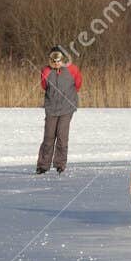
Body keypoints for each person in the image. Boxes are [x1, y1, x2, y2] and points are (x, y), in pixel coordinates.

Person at [37, 45, 81, 174]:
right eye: (53, 60)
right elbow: (44, 86)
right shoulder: (46, 71)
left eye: (59, 59)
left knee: (62, 136)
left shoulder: (72, 69)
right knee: (49, 137)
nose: (56, 63)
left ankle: (60, 164)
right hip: (51, 107)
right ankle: (43, 165)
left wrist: (68, 97)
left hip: (67, 107)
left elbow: (78, 84)